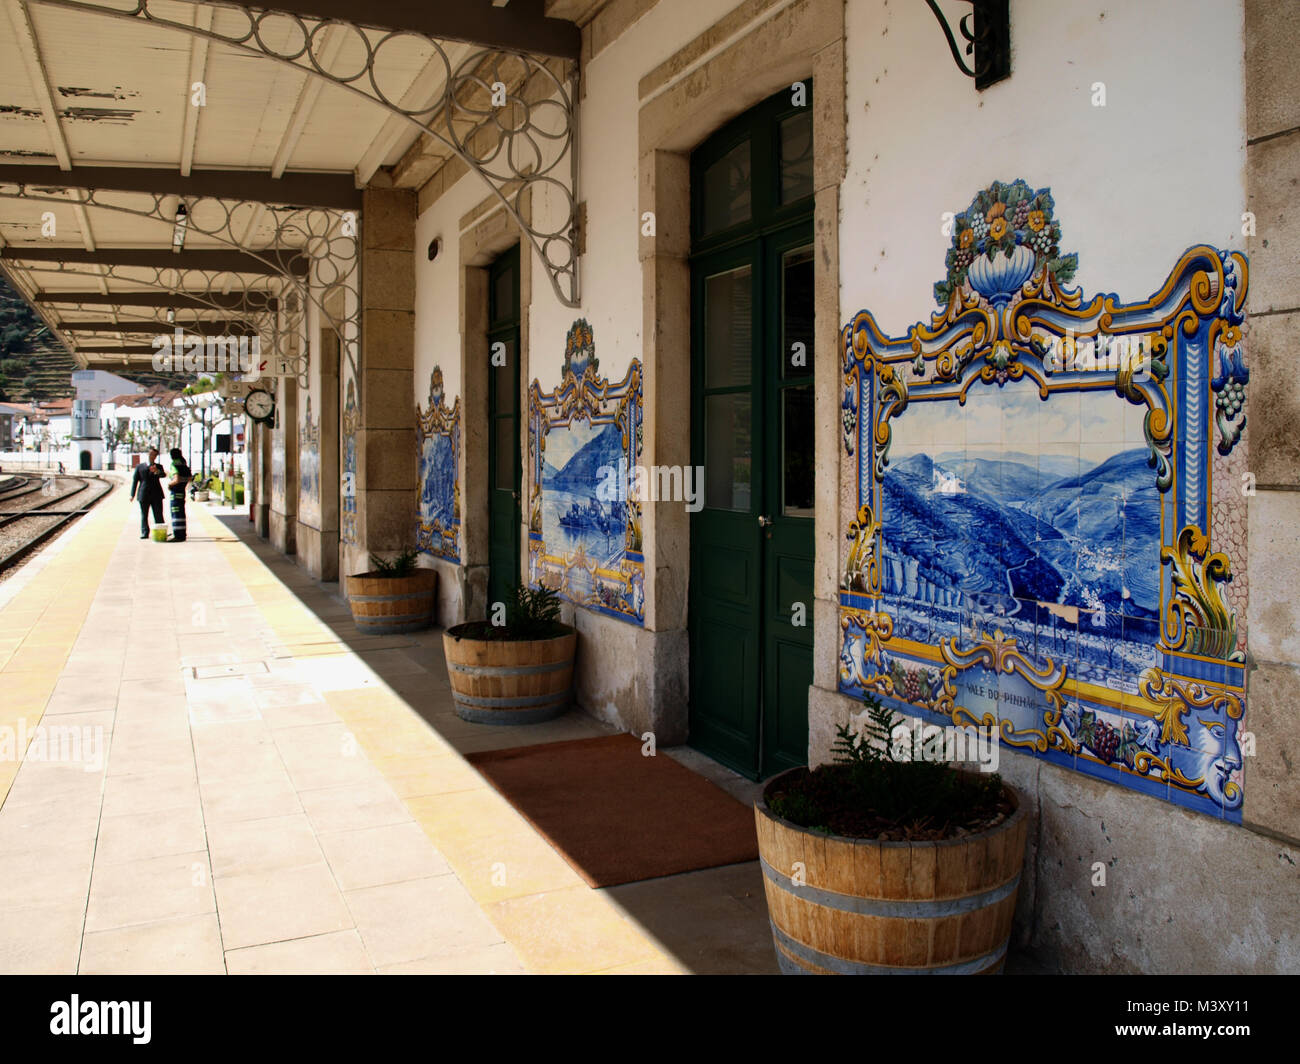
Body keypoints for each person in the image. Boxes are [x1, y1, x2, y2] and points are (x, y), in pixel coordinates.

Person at [130, 447, 165, 539]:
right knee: (144, 515)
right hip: (144, 494)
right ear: (147, 454)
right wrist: (132, 494)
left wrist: (156, 471)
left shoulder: (159, 466)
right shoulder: (140, 466)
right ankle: (145, 532)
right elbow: (135, 480)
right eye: (151, 454)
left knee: (158, 514)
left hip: (156, 494)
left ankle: (160, 532)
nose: (152, 456)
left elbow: (163, 475)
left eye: (154, 455)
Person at [167, 447, 192, 542]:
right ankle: (182, 534)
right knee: (181, 513)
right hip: (182, 492)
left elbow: (176, 479)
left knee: (175, 514)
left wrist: (169, 484)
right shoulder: (183, 463)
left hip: (175, 493)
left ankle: (177, 535)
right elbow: (189, 478)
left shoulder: (174, 464)